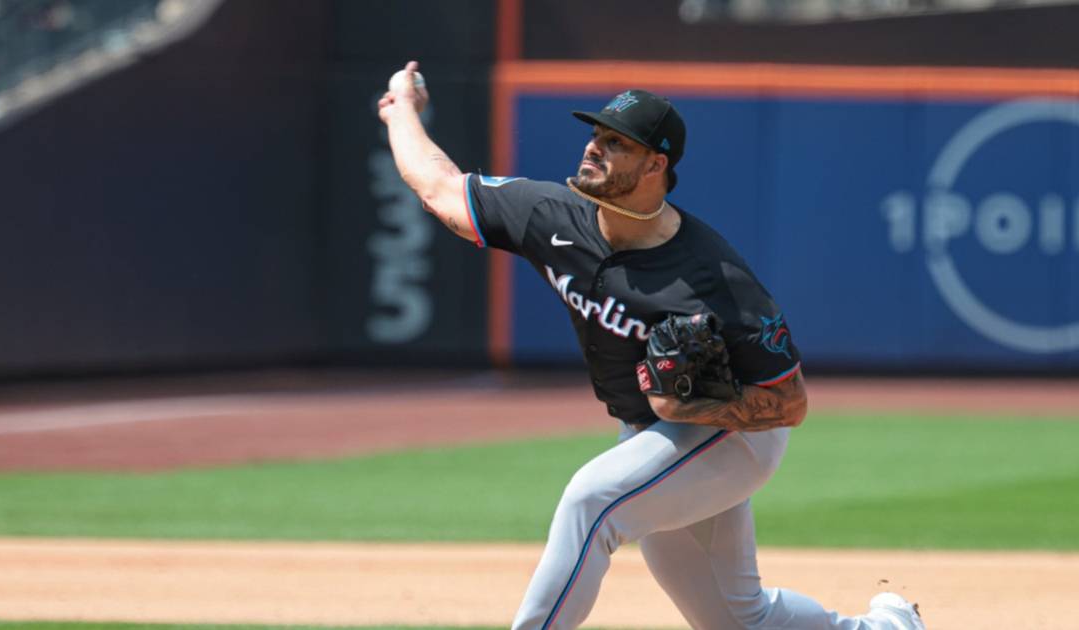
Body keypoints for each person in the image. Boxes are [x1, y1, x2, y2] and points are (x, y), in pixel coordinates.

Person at [377, 60, 926, 630]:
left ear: (655, 164)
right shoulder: (550, 215)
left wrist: (698, 409)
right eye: (595, 135)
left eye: (616, 143)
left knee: (591, 501)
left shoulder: (715, 279)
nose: (594, 149)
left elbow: (790, 404)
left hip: (734, 438)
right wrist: (401, 111)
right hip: (651, 430)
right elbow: (439, 189)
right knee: (736, 620)